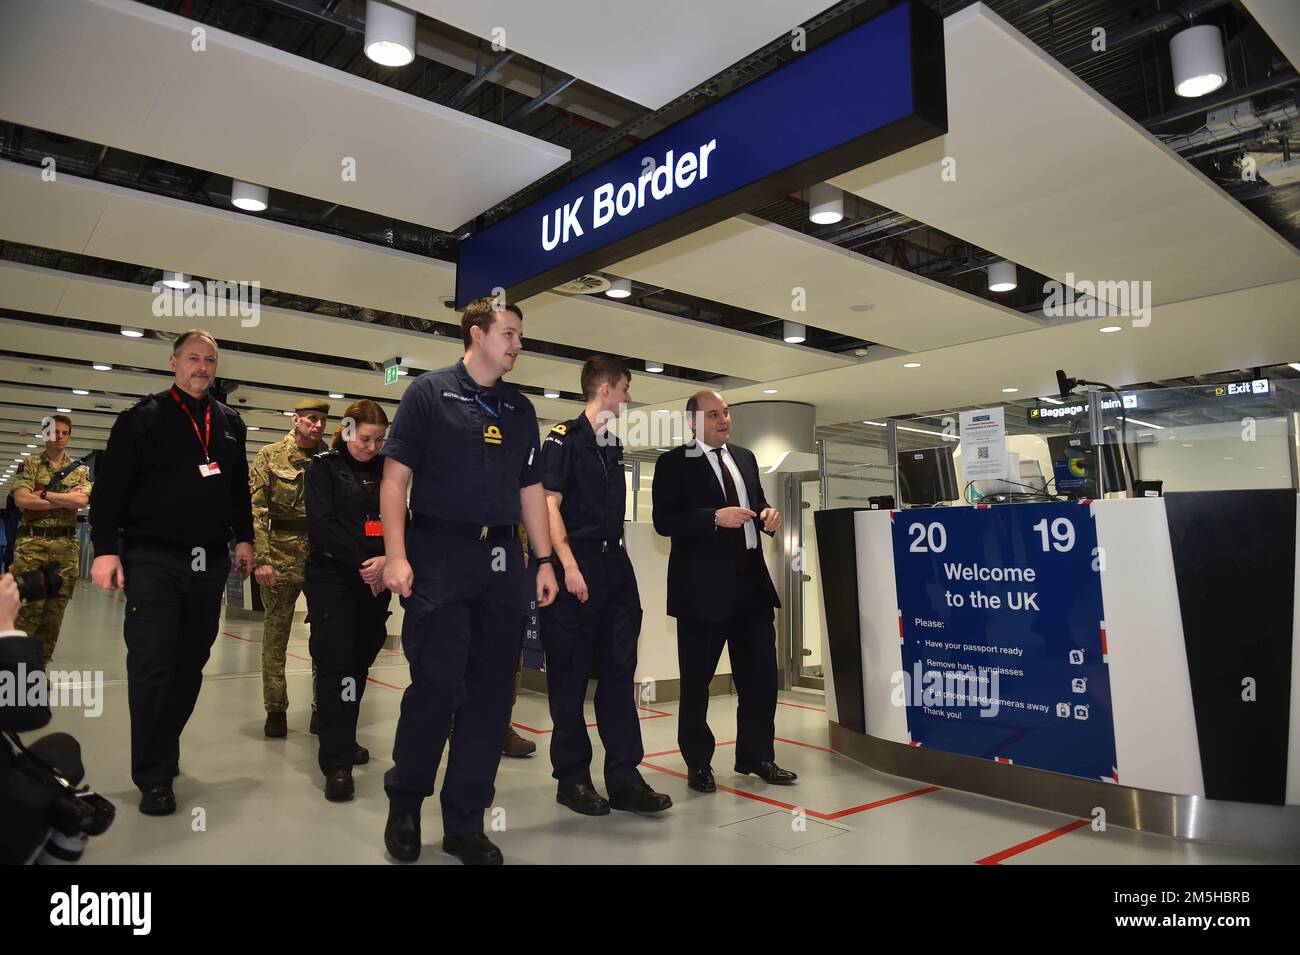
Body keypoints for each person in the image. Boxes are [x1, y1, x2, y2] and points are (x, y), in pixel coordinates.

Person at [380, 297, 557, 866]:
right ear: (476, 334)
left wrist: (546, 559)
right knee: (436, 689)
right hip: (439, 557)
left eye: (520, 336)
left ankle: (465, 822)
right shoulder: (428, 394)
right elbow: (394, 479)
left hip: (503, 561)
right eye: (508, 333)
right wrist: (395, 556)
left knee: (487, 698)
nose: (517, 344)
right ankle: (405, 804)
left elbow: (531, 492)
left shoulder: (520, 409)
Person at [89, 329, 254, 816]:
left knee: (190, 663)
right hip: (153, 558)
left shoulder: (230, 423)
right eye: (193, 359)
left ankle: (163, 743)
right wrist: (104, 550)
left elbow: (239, 487)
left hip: (209, 562)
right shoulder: (141, 420)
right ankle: (154, 776)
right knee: (153, 664)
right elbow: (109, 491)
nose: (202, 367)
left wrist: (244, 536)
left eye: (210, 360)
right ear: (173, 363)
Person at [540, 355, 671, 815]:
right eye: (626, 388)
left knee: (619, 672)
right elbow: (548, 506)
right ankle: (572, 779)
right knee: (570, 678)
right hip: (575, 563)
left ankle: (624, 777)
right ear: (606, 389)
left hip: (615, 565)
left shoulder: (612, 444)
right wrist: (569, 566)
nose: (629, 398)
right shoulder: (562, 439)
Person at [651, 390, 796, 794]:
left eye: (727, 413)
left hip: (751, 586)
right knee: (697, 684)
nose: (724, 420)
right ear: (694, 422)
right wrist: (713, 518)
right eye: (714, 414)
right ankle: (698, 764)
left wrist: (769, 517)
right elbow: (664, 521)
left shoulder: (745, 458)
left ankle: (756, 755)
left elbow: (760, 504)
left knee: (761, 679)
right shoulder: (674, 463)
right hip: (701, 592)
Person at [249, 397, 329, 739]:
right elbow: (256, 511)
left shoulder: (330, 458)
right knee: (276, 634)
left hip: (323, 557)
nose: (318, 425)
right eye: (311, 419)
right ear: (295, 419)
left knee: (326, 637)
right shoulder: (270, 455)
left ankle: (321, 708)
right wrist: (262, 559)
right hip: (280, 554)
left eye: (323, 420)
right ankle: (276, 709)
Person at [10, 415, 91, 663]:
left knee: (53, 613)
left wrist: (43, 494)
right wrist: (63, 497)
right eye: (55, 433)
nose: (60, 437)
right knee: (26, 610)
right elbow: (22, 500)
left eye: (65, 433)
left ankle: (37, 669)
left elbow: (81, 501)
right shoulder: (31, 465)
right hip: (31, 548)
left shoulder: (79, 470)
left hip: (65, 550)